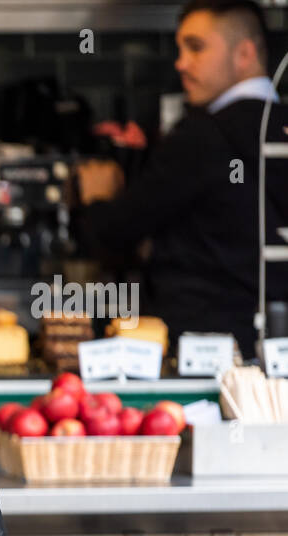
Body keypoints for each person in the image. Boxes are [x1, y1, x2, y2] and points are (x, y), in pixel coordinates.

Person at [76, 0, 288, 357]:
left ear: (245, 53)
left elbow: (115, 232)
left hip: (206, 354)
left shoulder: (200, 138)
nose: (181, 63)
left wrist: (97, 199)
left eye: (196, 47)